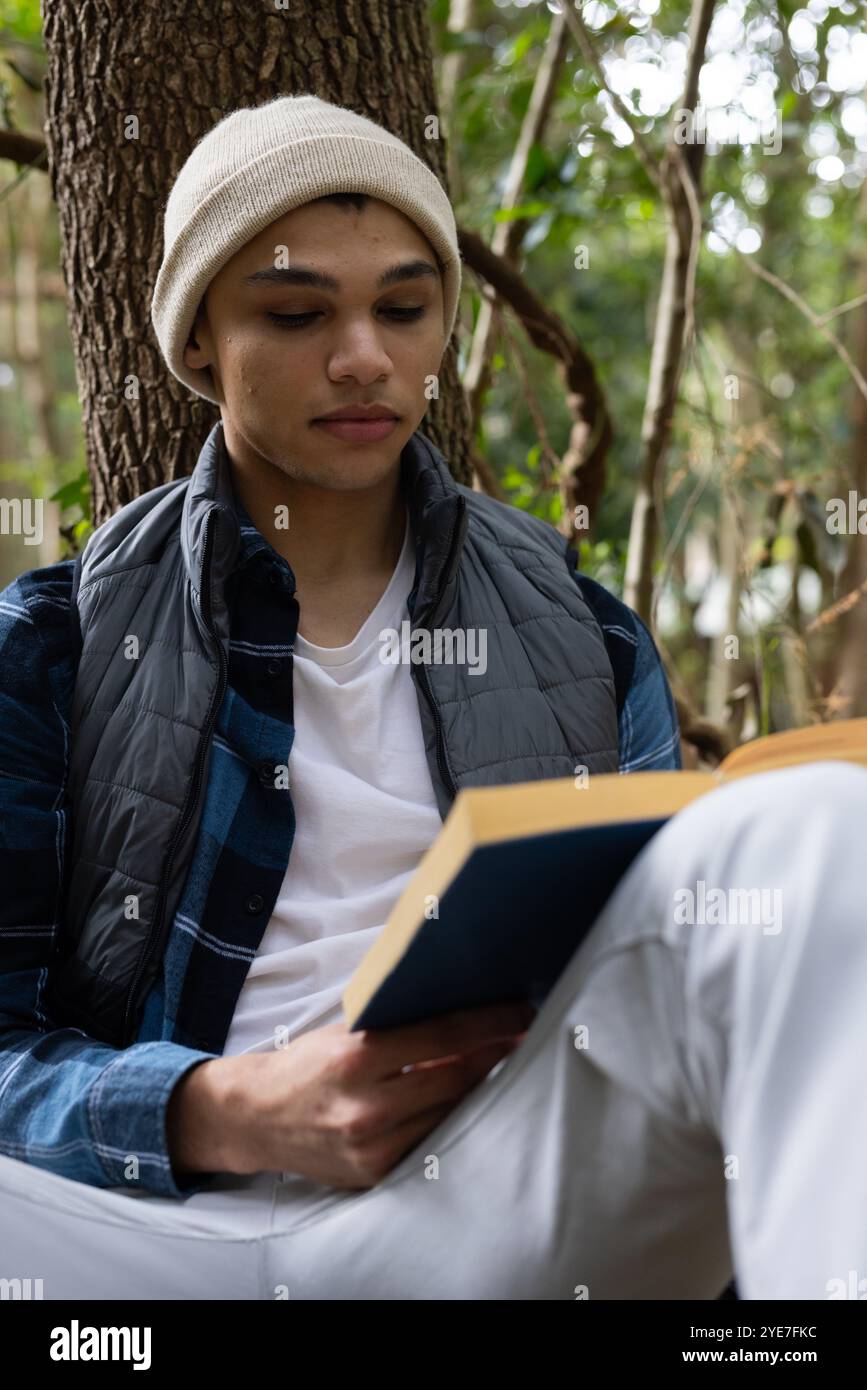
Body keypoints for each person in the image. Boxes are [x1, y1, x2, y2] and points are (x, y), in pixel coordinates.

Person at [1, 95, 863, 1301]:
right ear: (198, 339)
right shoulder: (56, 642)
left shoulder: (587, 639)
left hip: (483, 1203)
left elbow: (663, 986)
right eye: (298, 314)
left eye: (404, 309)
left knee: (818, 829)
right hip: (143, 1240)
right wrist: (217, 1110)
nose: (365, 357)